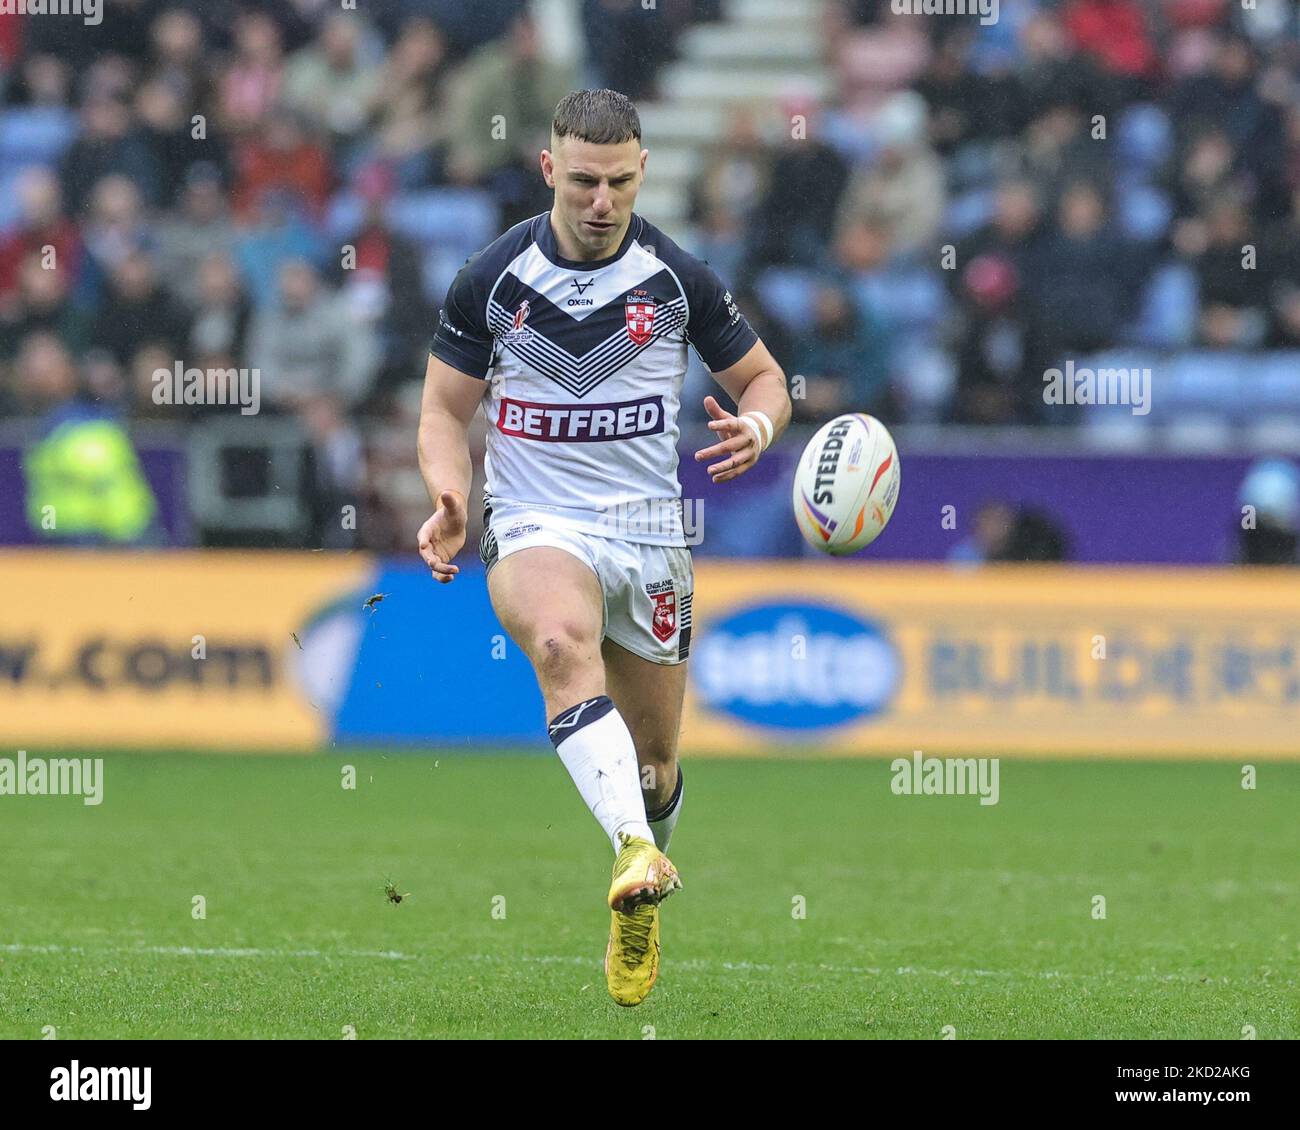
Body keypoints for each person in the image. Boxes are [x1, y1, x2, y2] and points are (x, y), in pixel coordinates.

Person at [416, 89, 791, 1007]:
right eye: (583, 180)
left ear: (642, 173)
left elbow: (767, 378)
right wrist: (451, 492)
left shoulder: (678, 277)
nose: (600, 201)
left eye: (619, 182)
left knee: (657, 765)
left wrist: (760, 427)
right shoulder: (493, 278)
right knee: (555, 641)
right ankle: (632, 848)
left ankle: (643, 864)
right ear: (549, 170)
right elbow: (442, 409)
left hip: (651, 536)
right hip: (536, 522)